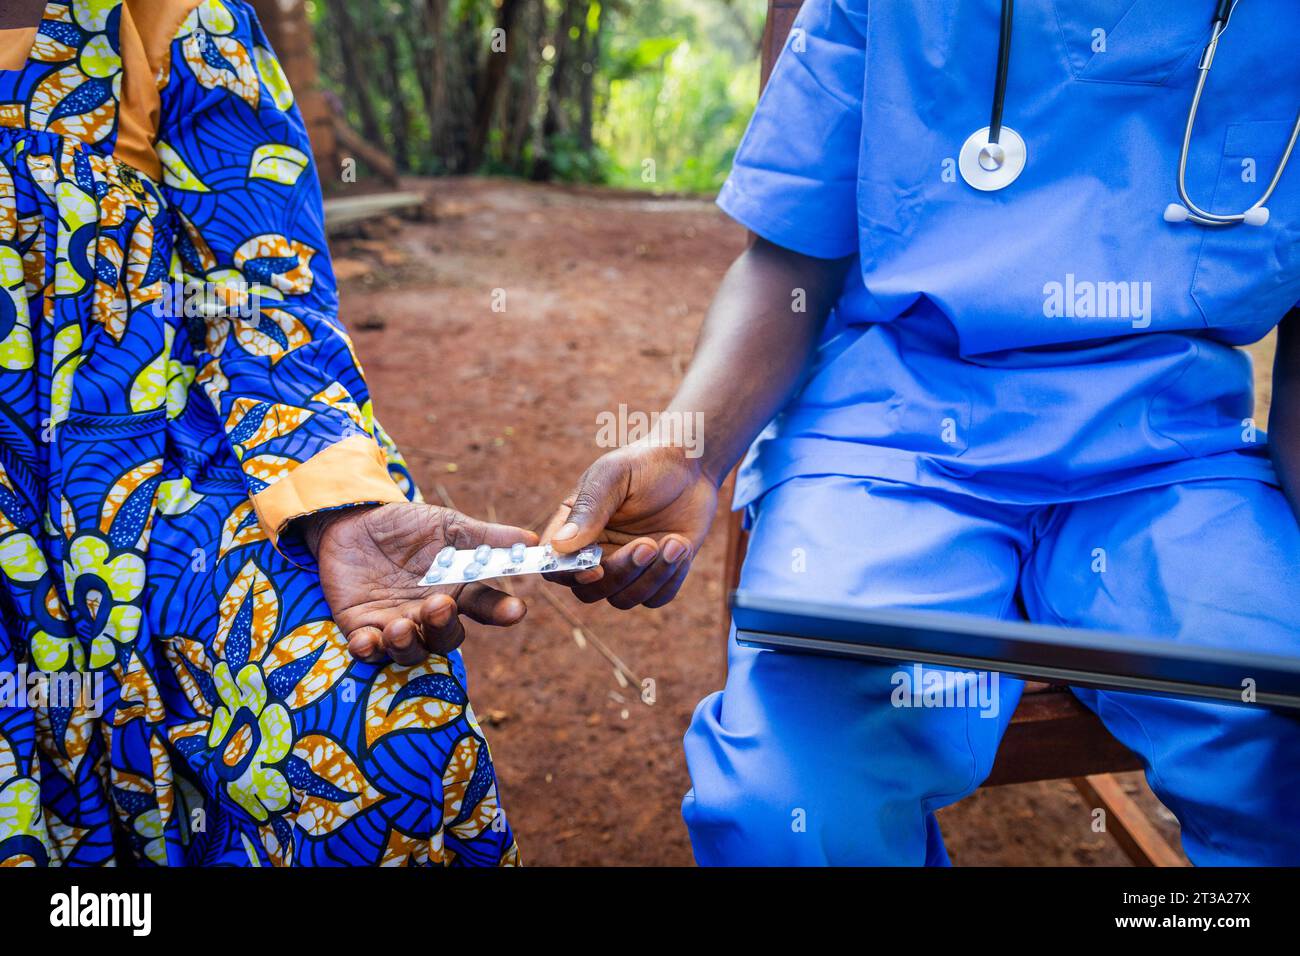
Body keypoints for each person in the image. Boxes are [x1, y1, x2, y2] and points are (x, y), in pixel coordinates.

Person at [544, 0, 1300, 865]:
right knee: (790, 805)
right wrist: (692, 451)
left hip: (1173, 455)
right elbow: (793, 254)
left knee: (1279, 735)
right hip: (890, 438)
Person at [0, 0, 529, 866]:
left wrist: (342, 506)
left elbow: (265, 299)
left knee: (384, 727)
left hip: (150, 494)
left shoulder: (166, 18)